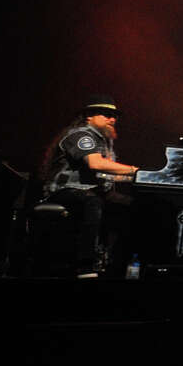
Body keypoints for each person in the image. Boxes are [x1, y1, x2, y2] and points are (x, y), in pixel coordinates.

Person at [39, 95, 139, 275]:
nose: (112, 119)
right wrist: (133, 170)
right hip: (65, 190)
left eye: (114, 115)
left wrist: (143, 178)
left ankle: (118, 266)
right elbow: (95, 164)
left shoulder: (104, 141)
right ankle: (85, 265)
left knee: (133, 207)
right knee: (92, 202)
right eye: (106, 114)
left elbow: (103, 174)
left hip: (91, 190)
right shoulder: (81, 135)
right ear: (88, 116)